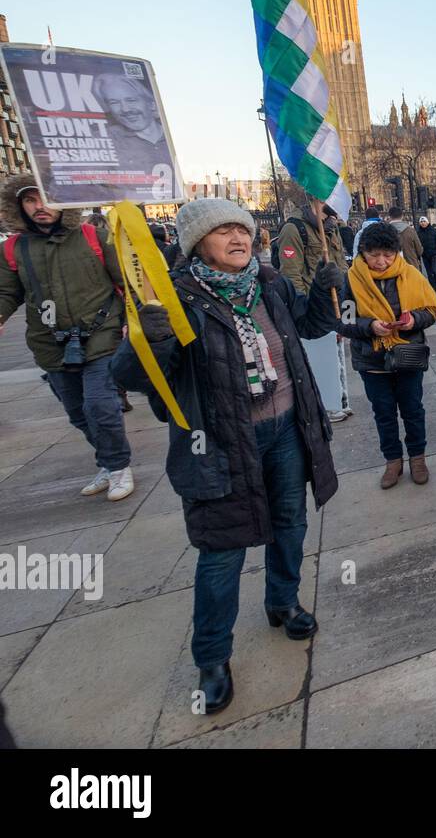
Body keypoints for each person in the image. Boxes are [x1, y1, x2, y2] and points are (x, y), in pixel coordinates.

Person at [111, 196, 343, 715]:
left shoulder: (269, 283)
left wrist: (328, 294)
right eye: (224, 232)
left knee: (290, 524)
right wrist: (149, 331)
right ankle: (212, 657)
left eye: (243, 228)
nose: (239, 238)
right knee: (223, 551)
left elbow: (306, 327)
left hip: (286, 428)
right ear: (198, 243)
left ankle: (282, 601)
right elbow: (129, 376)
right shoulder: (173, 298)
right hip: (220, 444)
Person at [0, 175, 134, 501]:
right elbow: (7, 292)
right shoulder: (14, 249)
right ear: (20, 205)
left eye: (46, 198)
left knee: (101, 405)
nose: (40, 207)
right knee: (77, 411)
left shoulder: (92, 236)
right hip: (50, 343)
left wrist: (134, 317)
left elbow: (127, 282)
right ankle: (106, 460)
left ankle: (118, 467)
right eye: (31, 200)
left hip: (101, 334)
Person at [338, 222, 436, 489]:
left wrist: (413, 321)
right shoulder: (351, 278)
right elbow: (346, 321)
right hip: (371, 359)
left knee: (413, 410)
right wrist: (369, 326)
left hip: (407, 355)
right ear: (363, 252)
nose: (381, 262)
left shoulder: (411, 274)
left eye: (388, 254)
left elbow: (431, 311)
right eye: (374, 255)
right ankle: (393, 461)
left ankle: (417, 458)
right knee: (383, 413)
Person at [276, 199, 351, 422]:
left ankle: (340, 399)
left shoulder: (331, 226)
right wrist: (302, 309)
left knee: (337, 351)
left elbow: (341, 264)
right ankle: (328, 404)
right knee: (320, 355)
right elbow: (291, 275)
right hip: (313, 305)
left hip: (335, 300)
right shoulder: (294, 228)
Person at [386, 206, 425, 276]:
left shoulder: (384, 231)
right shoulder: (410, 230)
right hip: (411, 266)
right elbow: (419, 250)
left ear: (389, 216)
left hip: (392, 268)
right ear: (402, 216)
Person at [417, 215, 436, 295]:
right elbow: (417, 245)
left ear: (428, 222)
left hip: (434, 254)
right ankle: (433, 289)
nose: (423, 223)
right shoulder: (418, 233)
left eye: (424, 221)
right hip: (425, 255)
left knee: (434, 271)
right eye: (421, 222)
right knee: (429, 274)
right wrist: (418, 257)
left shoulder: (434, 231)